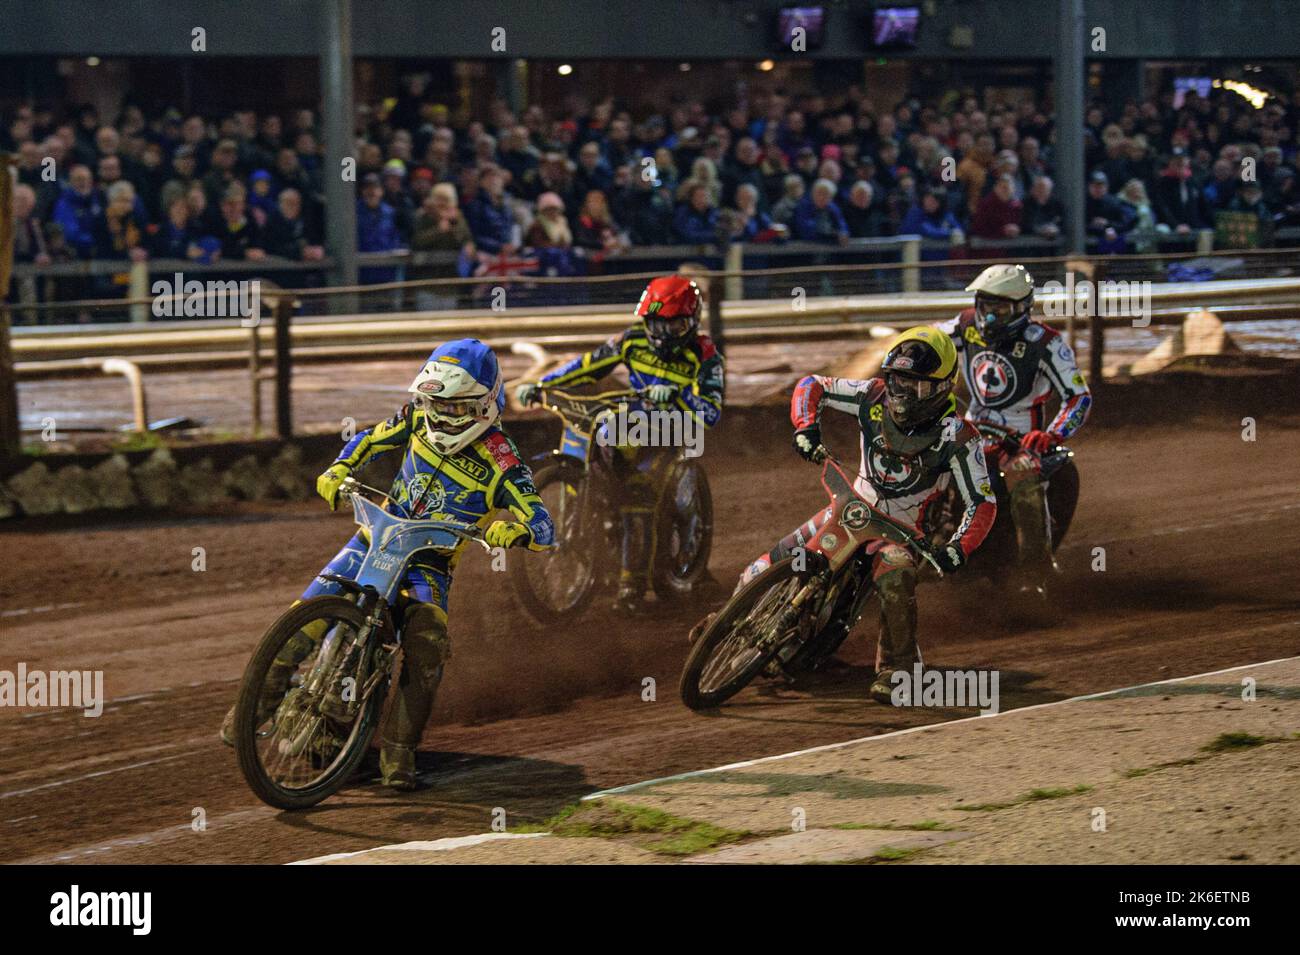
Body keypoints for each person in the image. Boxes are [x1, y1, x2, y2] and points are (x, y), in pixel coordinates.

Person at [220, 340, 554, 790]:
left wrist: (519, 531)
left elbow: (544, 523)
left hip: (427, 565)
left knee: (427, 643)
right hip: (372, 537)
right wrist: (338, 468)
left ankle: (399, 751)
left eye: (453, 407)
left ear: (482, 406)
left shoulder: (503, 460)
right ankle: (252, 708)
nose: (439, 415)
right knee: (305, 613)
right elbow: (368, 439)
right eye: (433, 402)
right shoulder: (414, 417)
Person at [737, 327, 996, 704]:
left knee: (896, 575)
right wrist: (805, 427)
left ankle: (900, 668)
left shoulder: (959, 436)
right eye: (897, 381)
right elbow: (812, 384)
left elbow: (982, 501)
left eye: (915, 385)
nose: (902, 394)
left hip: (900, 532)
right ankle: (732, 621)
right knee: (764, 567)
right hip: (851, 506)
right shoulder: (872, 394)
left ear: (942, 388)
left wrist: (958, 548)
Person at [515, 275, 725, 612]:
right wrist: (541, 384)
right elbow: (587, 366)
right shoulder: (630, 341)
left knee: (637, 492)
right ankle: (597, 540)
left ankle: (632, 587)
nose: (664, 334)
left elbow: (711, 411)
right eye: (657, 324)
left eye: (675, 326)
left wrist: (678, 395)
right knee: (602, 453)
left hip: (674, 431)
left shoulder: (706, 355)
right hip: (633, 420)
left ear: (692, 321)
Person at [939, 264, 1092, 600]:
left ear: (1023, 307)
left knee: (1022, 477)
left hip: (1022, 441)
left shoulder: (1046, 343)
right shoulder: (964, 326)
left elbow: (1078, 397)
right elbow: (931, 343)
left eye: (1000, 309)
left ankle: (1034, 574)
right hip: (971, 430)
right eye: (985, 307)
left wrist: (1051, 435)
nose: (990, 318)